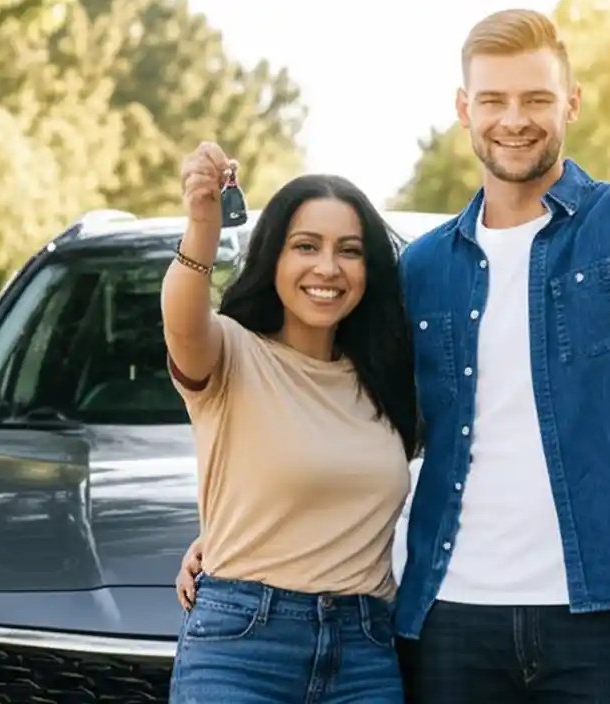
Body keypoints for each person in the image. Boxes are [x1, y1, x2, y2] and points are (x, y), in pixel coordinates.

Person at [177, 8, 610, 703]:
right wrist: (236, 538)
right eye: (493, 100)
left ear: (571, 104)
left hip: (607, 613)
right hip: (449, 619)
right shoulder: (423, 269)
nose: (513, 119)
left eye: (536, 99)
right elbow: (346, 407)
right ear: (465, 110)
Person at [161, 144, 418, 703]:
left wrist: (244, 523)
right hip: (241, 647)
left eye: (349, 251)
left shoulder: (389, 378)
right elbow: (181, 321)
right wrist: (202, 224)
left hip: (365, 651)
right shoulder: (231, 351)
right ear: (273, 257)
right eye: (306, 247)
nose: (327, 268)